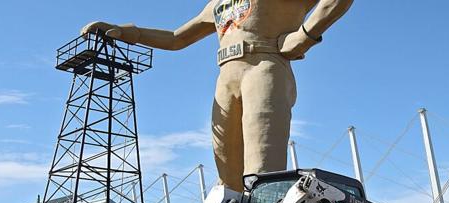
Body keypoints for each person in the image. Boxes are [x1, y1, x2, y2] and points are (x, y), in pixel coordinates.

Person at [82, 1, 355, 192]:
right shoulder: (218, 4)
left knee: (262, 169)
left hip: (264, 66)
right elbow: (177, 38)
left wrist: (305, 36)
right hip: (226, 76)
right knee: (227, 172)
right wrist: (128, 32)